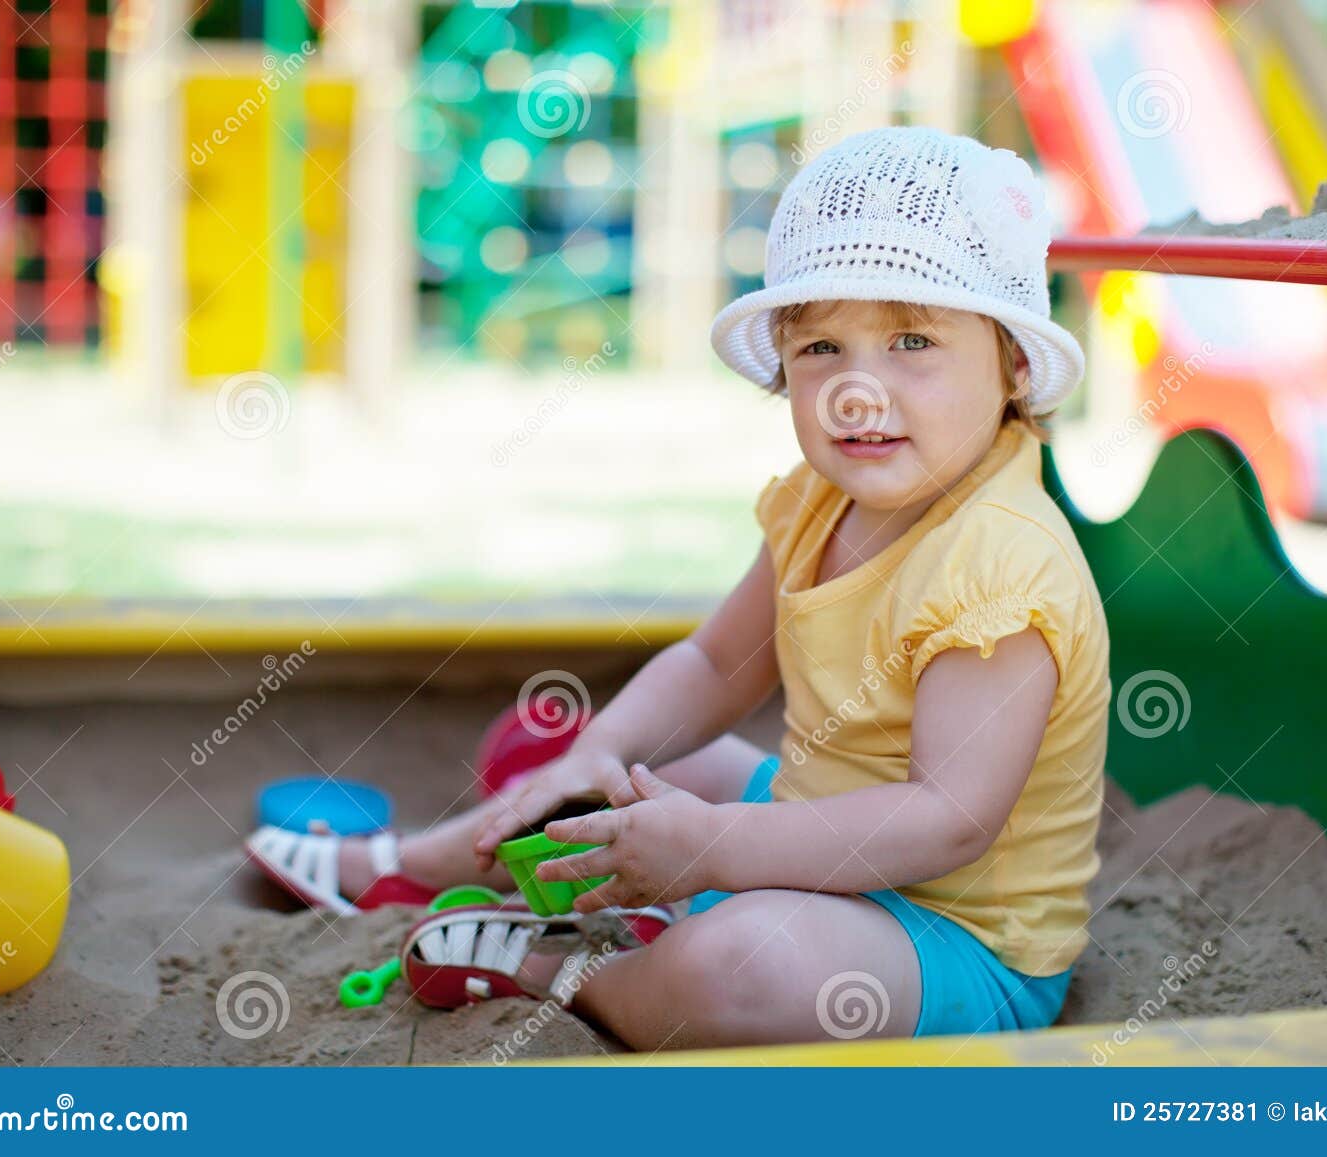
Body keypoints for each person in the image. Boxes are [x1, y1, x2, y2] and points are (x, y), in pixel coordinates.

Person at [249, 126, 1110, 1050]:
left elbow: (947, 820)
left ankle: (572, 968)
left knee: (744, 965)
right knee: (644, 772)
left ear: (1014, 362)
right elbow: (712, 665)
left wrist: (711, 850)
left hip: (954, 934)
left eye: (911, 339)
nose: (858, 390)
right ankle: (405, 863)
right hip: (807, 829)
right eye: (821, 347)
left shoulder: (1000, 565)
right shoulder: (819, 501)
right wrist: (600, 751)